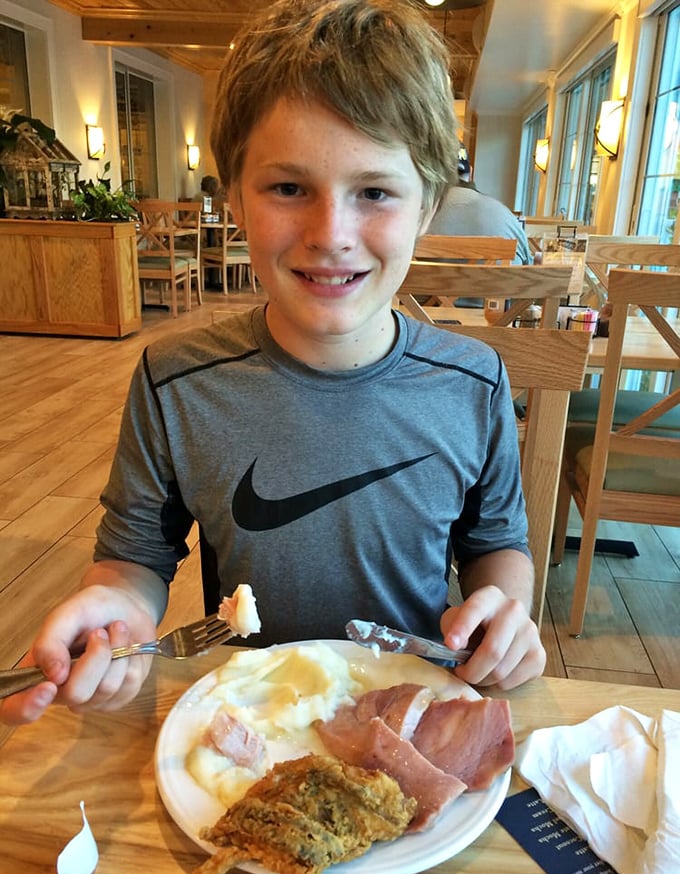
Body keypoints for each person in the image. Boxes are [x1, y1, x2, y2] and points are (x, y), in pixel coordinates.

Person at [1, 0, 545, 727]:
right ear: (234, 196)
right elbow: (135, 558)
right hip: (247, 715)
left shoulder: (473, 383)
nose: (331, 234)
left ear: (428, 205)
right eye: (289, 189)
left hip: (409, 712)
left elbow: (496, 542)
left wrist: (504, 612)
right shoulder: (176, 381)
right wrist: (118, 608)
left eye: (375, 192)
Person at [428, 151, 532, 268]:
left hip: (424, 286)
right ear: (471, 173)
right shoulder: (507, 218)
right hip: (497, 286)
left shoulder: (417, 216)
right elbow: (529, 268)